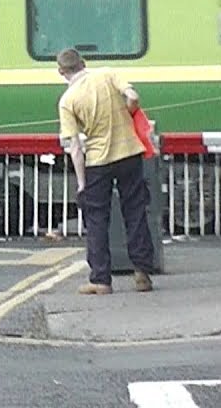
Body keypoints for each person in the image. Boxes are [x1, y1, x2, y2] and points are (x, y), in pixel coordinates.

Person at [55, 48, 156, 295]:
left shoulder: (68, 100)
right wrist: (129, 114)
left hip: (98, 162)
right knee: (135, 211)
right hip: (130, 153)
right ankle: (142, 272)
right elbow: (132, 96)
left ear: (61, 72)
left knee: (97, 219)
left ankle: (100, 280)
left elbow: (75, 148)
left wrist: (81, 184)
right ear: (84, 63)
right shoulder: (108, 74)